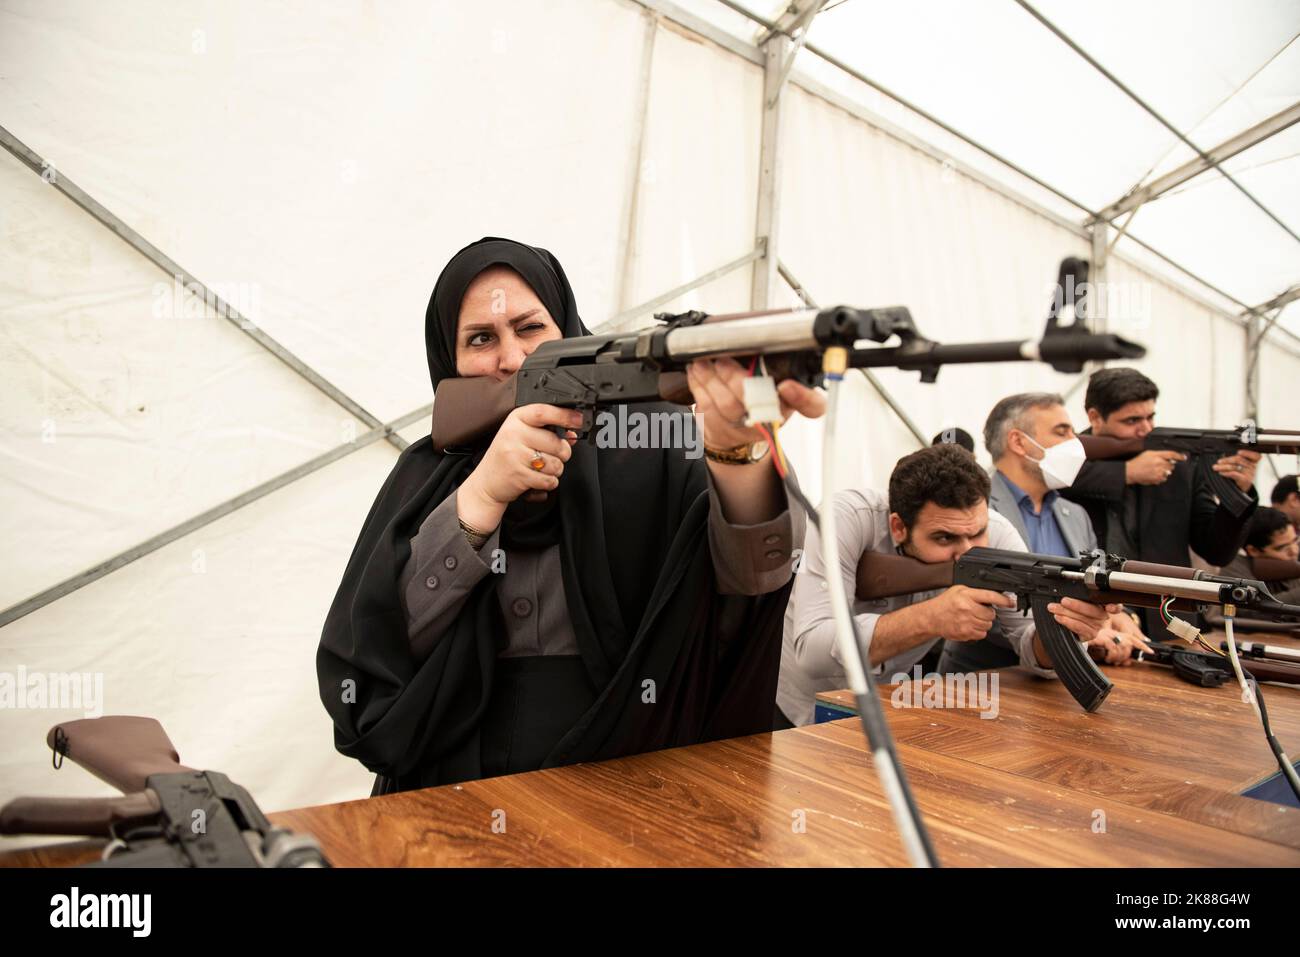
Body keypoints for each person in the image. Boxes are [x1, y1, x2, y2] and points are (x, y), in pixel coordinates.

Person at [317, 237, 823, 791]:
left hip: (630, 777)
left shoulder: (654, 439)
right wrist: (481, 499)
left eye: (530, 329)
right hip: (447, 783)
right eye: (482, 338)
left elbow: (756, 580)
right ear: (449, 357)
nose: (511, 358)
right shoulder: (427, 475)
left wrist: (738, 451)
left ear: (565, 328)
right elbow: (378, 652)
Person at [776, 444, 1117, 727]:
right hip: (794, 707)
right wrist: (929, 618)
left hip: (882, 707)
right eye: (944, 537)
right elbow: (813, 650)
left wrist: (1064, 627)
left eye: (976, 532)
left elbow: (1030, 645)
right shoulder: (845, 518)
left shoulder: (997, 533)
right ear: (898, 527)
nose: (967, 552)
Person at [942, 392, 1150, 673]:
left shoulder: (1075, 514)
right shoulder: (970, 515)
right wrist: (1076, 635)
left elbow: (1091, 585)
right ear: (1018, 442)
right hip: (983, 683)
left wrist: (1120, 618)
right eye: (1062, 431)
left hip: (1061, 685)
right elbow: (975, 606)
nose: (1075, 443)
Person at [1063, 368, 1259, 640]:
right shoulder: (1066, 459)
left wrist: (1239, 494)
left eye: (1150, 416)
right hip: (1095, 621)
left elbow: (1216, 550)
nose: (1146, 429)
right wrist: (1126, 473)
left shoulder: (1180, 465)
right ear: (1095, 417)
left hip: (1167, 622)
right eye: (1132, 420)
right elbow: (1039, 476)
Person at [1203, 507, 1300, 633]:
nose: (1294, 551)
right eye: (1282, 548)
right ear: (1253, 550)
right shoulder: (1233, 567)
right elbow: (1250, 611)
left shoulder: (1288, 565)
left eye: (1295, 541)